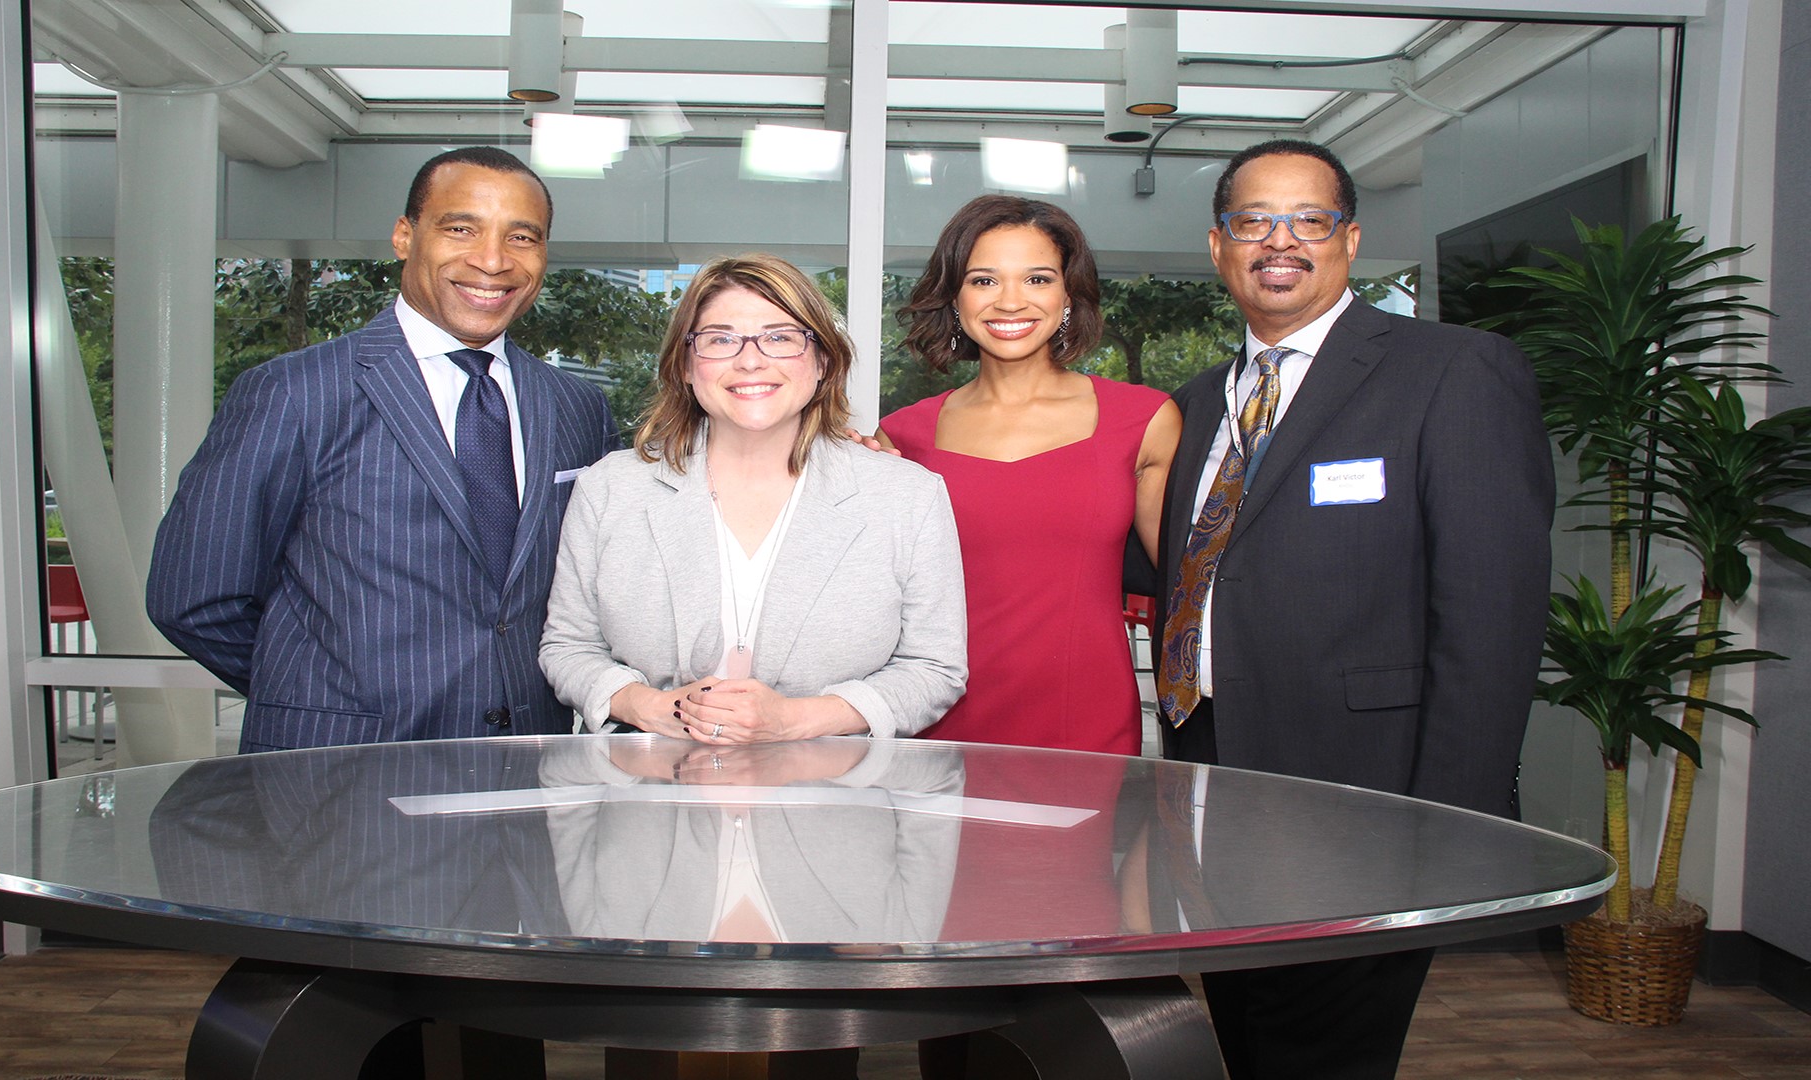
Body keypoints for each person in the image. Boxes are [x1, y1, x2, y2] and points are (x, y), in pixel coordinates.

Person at [1146, 138, 1554, 1079]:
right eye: (1252, 221)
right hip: (1212, 781)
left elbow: (1491, 619)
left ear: (1351, 239)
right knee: (1247, 1038)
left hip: (1366, 798)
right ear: (1218, 247)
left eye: (1309, 220)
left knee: (1325, 1052)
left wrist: (1455, 828)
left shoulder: (1454, 371)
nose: (1278, 241)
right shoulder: (1199, 403)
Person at [148, 146, 620, 752]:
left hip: (525, 774)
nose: (493, 260)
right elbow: (194, 596)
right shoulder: (294, 392)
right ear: (405, 236)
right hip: (338, 776)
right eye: (460, 229)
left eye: (522, 237)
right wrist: (322, 692)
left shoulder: (576, 407)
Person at [539, 253, 967, 745]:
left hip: (833, 805)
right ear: (684, 364)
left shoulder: (907, 496)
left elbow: (934, 668)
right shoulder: (610, 488)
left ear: (823, 361)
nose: (750, 359)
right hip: (650, 796)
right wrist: (653, 708)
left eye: (780, 337)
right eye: (720, 339)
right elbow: (568, 647)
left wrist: (794, 720)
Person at [880, 194, 1181, 756]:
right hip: (936, 718)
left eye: (1038, 279)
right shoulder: (901, 437)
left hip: (1083, 719)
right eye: (985, 280)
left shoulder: (1143, 420)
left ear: (1069, 294)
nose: (1011, 302)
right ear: (955, 297)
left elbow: (1192, 585)